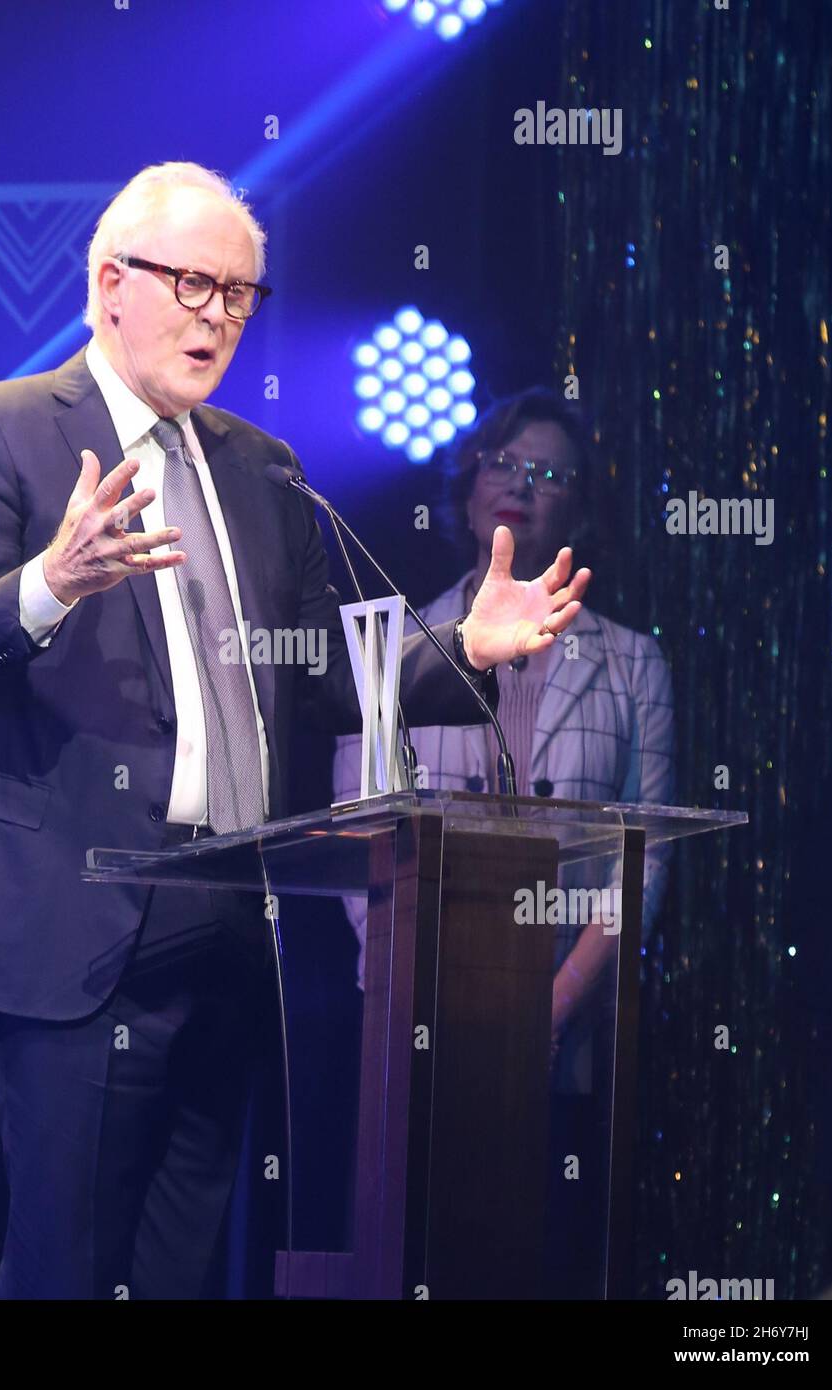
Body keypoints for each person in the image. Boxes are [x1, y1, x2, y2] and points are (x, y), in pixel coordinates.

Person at [0, 165, 591, 1300]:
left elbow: (319, 678)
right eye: (192, 284)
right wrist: (51, 581)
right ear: (110, 284)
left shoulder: (262, 467)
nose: (217, 314)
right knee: (63, 1270)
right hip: (73, 921)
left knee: (186, 1272)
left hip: (230, 921)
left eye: (241, 293)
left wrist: (462, 647)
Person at [333, 387, 674, 1293]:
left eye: (549, 473)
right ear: (467, 485)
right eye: (503, 463)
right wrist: (418, 1006)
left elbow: (647, 862)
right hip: (418, 1028)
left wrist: (548, 1010)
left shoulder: (634, 662)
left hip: (564, 1029)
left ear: (582, 505)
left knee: (542, 1258)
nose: (521, 484)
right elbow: (355, 844)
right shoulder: (394, 644)